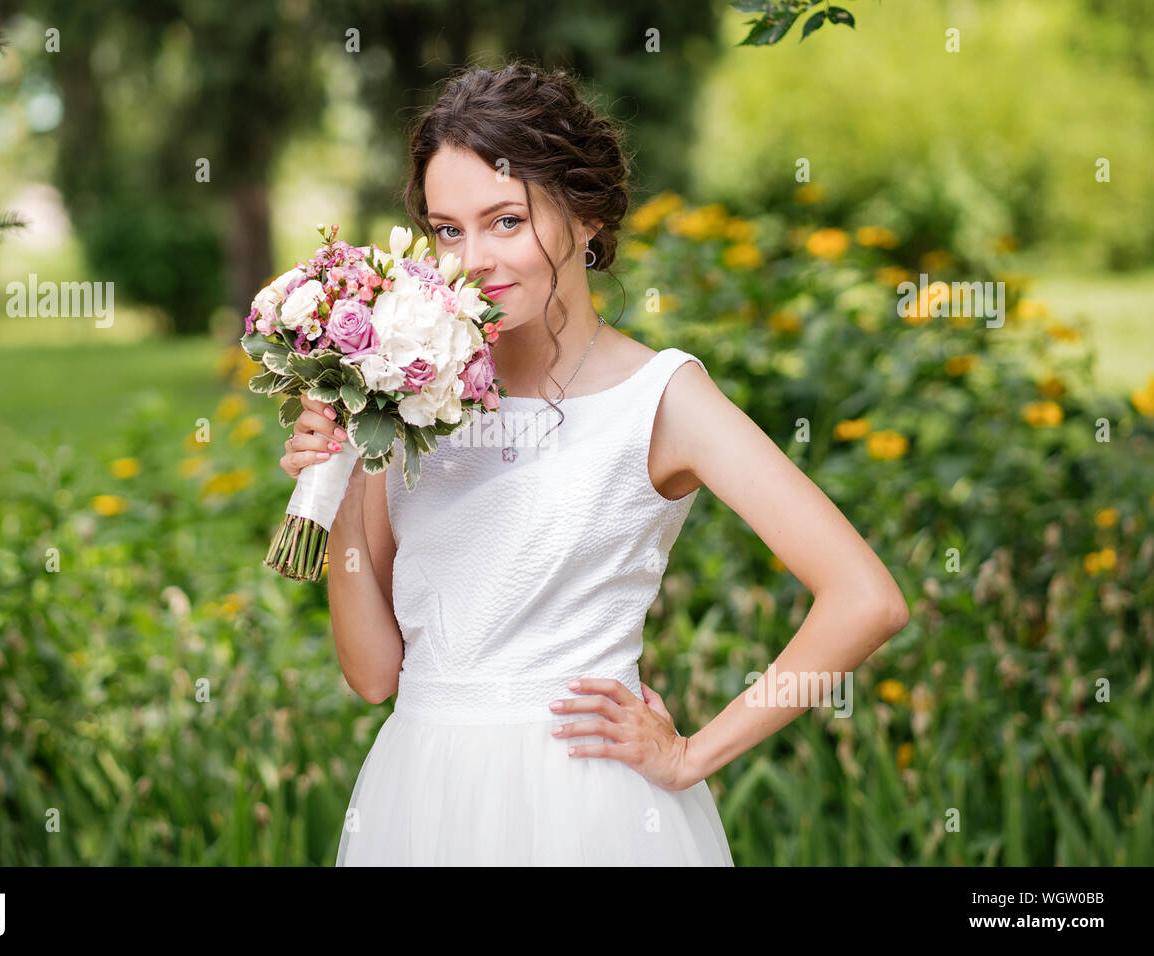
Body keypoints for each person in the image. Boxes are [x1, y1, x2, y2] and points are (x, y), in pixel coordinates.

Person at [279, 61, 910, 865]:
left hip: (588, 808)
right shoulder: (407, 393)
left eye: (507, 221)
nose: (474, 258)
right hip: (422, 800)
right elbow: (373, 675)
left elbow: (865, 599)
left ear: (586, 218)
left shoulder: (660, 400)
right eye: (448, 230)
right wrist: (338, 481)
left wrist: (693, 754)